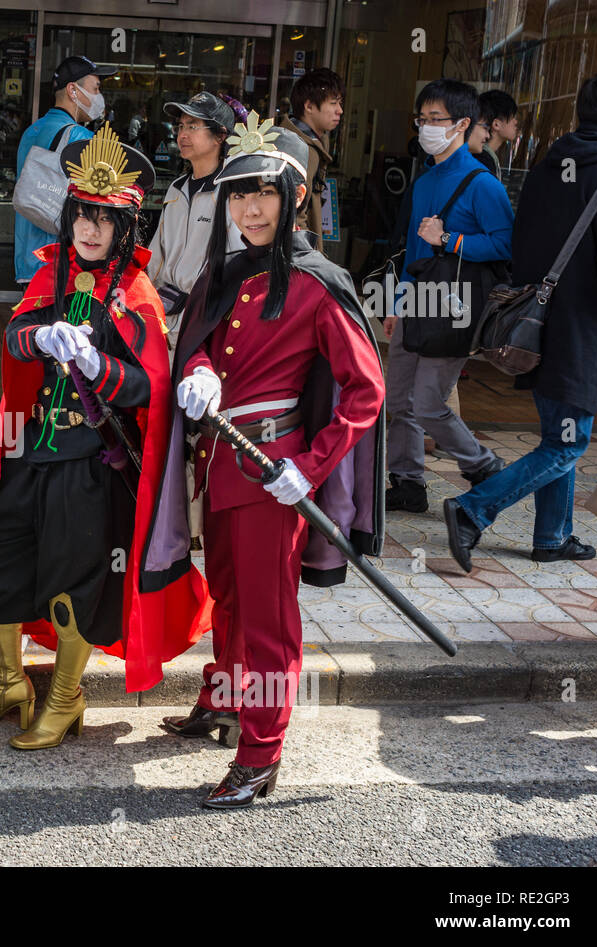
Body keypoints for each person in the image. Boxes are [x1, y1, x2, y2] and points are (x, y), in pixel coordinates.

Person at [0, 124, 212, 750]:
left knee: (73, 583)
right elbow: (13, 339)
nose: (90, 231)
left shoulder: (137, 292)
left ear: (124, 230)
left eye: (104, 220)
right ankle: (10, 681)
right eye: (81, 217)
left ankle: (65, 698)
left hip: (90, 464)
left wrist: (103, 370)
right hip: (28, 450)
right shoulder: (50, 277)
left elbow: (149, 386)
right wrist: (36, 337)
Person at [166, 120, 385, 807]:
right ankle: (226, 701)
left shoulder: (320, 284)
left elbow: (366, 390)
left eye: (263, 195)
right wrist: (197, 369)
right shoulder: (225, 272)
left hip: (274, 472)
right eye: (238, 197)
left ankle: (260, 755)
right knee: (227, 598)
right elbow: (199, 339)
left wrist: (313, 466)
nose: (250, 210)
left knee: (267, 620)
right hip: (223, 464)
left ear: (292, 197)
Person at [444, 70, 597, 571]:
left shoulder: (548, 165)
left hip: (534, 323)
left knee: (556, 434)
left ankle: (552, 536)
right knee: (570, 442)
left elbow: (521, 240)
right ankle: (473, 510)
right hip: (579, 329)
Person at [383, 79, 511, 514]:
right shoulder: (424, 181)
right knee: (397, 399)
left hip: (453, 307)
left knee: (430, 403)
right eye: (422, 119)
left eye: (435, 120)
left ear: (462, 124)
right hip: (417, 301)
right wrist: (398, 303)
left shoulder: (483, 184)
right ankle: (407, 481)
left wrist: (451, 240)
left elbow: (506, 246)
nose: (426, 128)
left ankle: (482, 464)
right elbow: (414, 252)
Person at [146, 92, 242, 351]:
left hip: (205, 320)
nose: (182, 135)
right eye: (181, 126)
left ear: (220, 136)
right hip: (166, 315)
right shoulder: (176, 188)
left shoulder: (232, 192)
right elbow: (157, 255)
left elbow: (237, 261)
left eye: (193, 126)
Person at [13, 55, 116, 287]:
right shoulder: (82, 138)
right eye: (96, 88)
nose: (100, 97)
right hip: (60, 267)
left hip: (27, 262)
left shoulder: (31, 131)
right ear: (73, 90)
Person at [279, 67, 345, 249]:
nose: (339, 110)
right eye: (333, 103)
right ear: (309, 106)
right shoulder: (300, 148)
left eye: (340, 103)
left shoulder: (310, 141)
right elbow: (296, 215)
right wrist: (310, 258)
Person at [471, 89, 519, 181]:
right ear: (496, 124)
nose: (516, 122)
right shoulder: (482, 160)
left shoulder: (485, 156)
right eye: (512, 117)